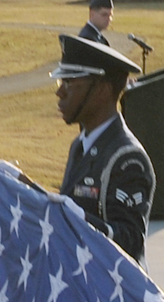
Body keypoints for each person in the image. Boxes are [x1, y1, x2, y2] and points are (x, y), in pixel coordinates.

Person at [52, 33, 154, 262]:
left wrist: (68, 214)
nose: (60, 92)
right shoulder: (80, 146)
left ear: (102, 90)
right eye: (61, 82)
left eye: (69, 82)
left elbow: (130, 242)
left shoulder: (127, 158)